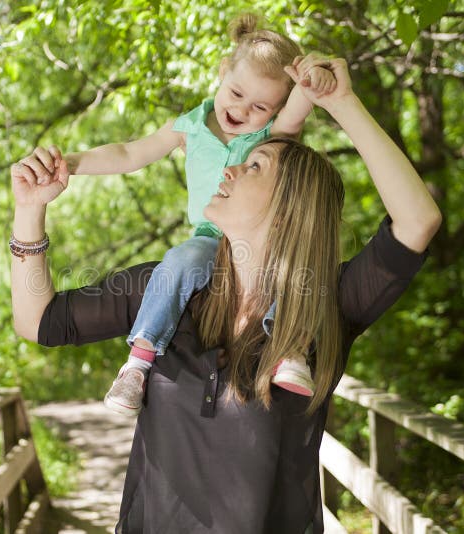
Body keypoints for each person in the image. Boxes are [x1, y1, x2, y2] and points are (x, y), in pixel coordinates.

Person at [10, 56, 441, 532]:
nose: (231, 168)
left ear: (287, 210)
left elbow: (417, 222)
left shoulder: (326, 305)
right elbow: (40, 322)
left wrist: (342, 102)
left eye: (254, 163)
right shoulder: (169, 288)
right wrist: (30, 212)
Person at [36, 13, 338, 416]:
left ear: (275, 110)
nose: (242, 109)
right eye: (235, 92)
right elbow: (128, 153)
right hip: (211, 236)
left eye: (260, 105)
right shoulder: (188, 127)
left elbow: (299, 106)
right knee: (177, 261)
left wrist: (310, 78)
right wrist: (72, 162)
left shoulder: (270, 137)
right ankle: (138, 364)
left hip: (260, 235)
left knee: (290, 265)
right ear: (222, 71)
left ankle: (291, 348)